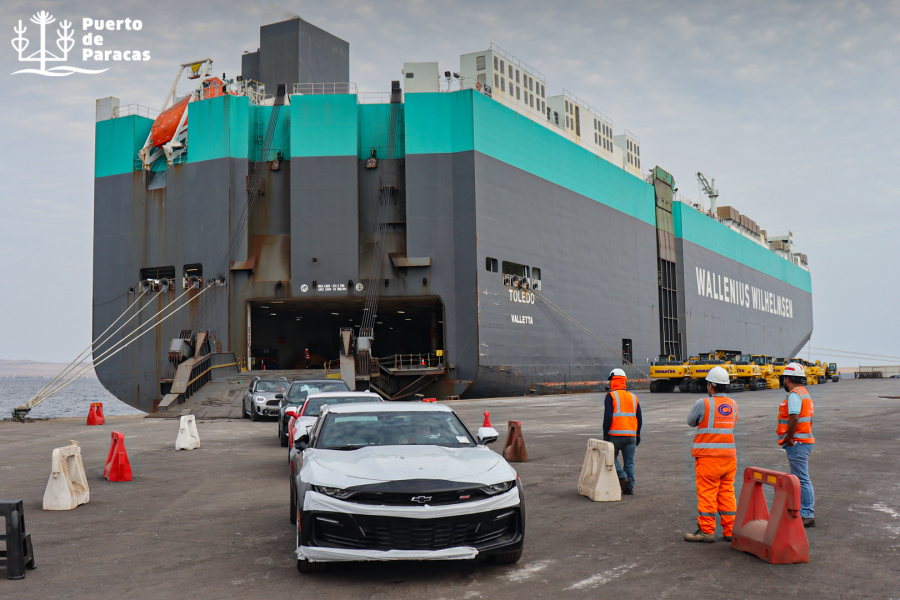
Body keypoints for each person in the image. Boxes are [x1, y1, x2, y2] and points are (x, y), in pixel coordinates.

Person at [684, 366, 738, 543]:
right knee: (727, 493)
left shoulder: (703, 403)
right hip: (729, 458)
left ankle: (707, 531)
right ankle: (730, 530)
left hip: (709, 458)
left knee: (708, 493)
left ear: (710, 386)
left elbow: (691, 422)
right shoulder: (733, 404)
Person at [778, 362, 816, 527]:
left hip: (798, 442)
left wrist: (789, 438)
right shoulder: (804, 393)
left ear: (787, 379)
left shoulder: (794, 395)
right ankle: (803, 511)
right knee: (801, 478)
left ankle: (807, 514)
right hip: (804, 440)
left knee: (802, 479)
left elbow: (794, 417)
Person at [603, 368, 642, 495]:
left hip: (615, 434)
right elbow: (639, 418)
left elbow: (608, 416)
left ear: (613, 381)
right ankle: (629, 487)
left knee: (610, 456)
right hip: (631, 435)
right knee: (629, 461)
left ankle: (621, 476)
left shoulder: (611, 396)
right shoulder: (633, 397)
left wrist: (605, 433)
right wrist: (638, 434)